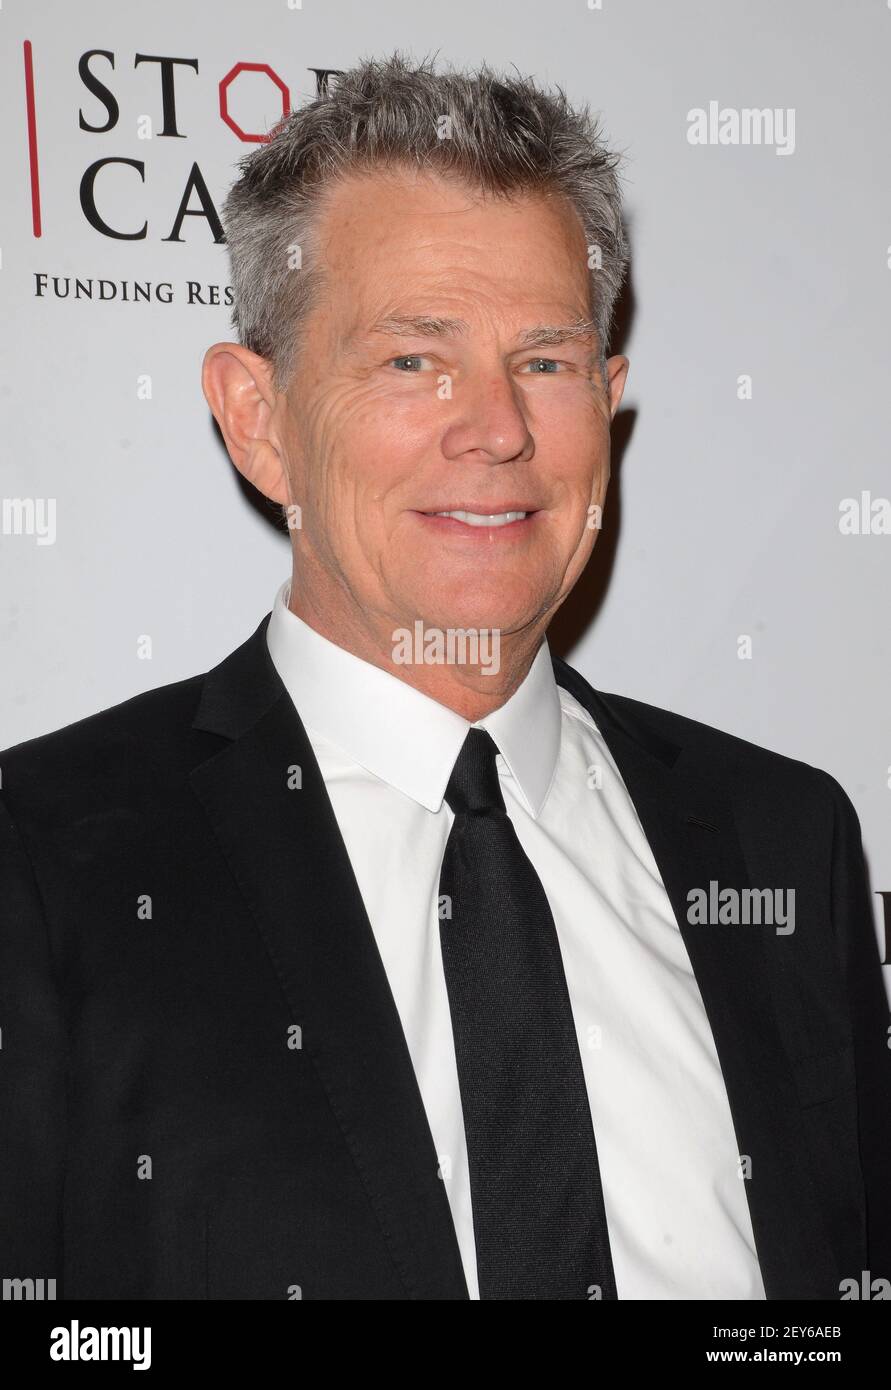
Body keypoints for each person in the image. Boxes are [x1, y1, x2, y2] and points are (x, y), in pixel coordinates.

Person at [1, 52, 889, 1301]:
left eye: (545, 359)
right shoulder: (46, 856)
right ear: (258, 418)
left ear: (610, 399)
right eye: (414, 359)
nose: (498, 427)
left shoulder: (784, 839)